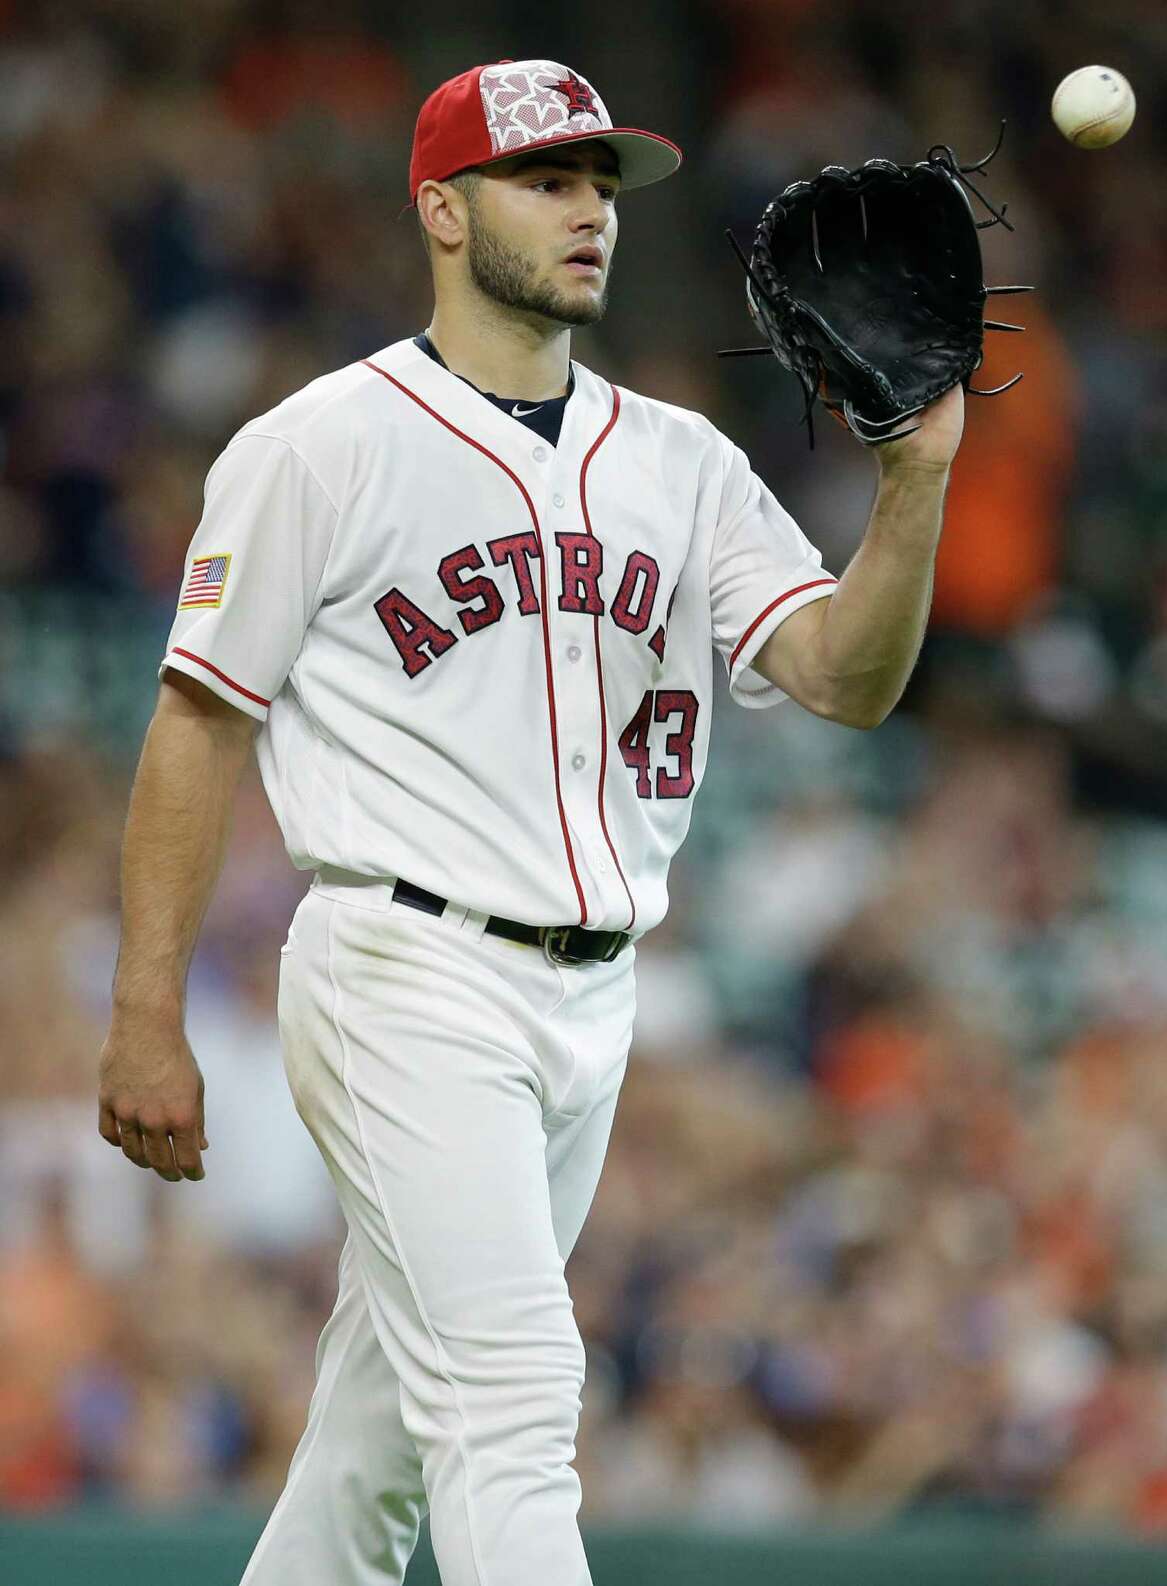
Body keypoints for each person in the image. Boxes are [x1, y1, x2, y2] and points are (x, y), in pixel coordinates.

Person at [96, 56, 965, 1586]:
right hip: (403, 971)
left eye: (600, 184)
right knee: (511, 1395)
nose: (587, 211)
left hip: (594, 998)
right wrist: (145, 1013)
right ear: (442, 206)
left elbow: (846, 676)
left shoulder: (683, 462)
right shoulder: (322, 444)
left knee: (372, 1462)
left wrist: (915, 484)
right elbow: (198, 720)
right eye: (545, 179)